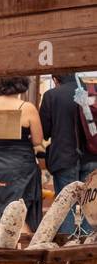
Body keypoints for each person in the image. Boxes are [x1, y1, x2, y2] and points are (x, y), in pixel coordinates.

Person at [0, 76, 44, 233]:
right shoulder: (26, 108)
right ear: (22, 85)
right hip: (21, 169)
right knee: (20, 217)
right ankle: (19, 257)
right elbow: (37, 140)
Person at [40, 73, 97, 235]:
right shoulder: (92, 91)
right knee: (90, 205)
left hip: (64, 158)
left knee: (65, 206)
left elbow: (44, 132)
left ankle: (67, 250)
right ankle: (88, 249)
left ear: (55, 79)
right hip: (93, 156)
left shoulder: (52, 95)